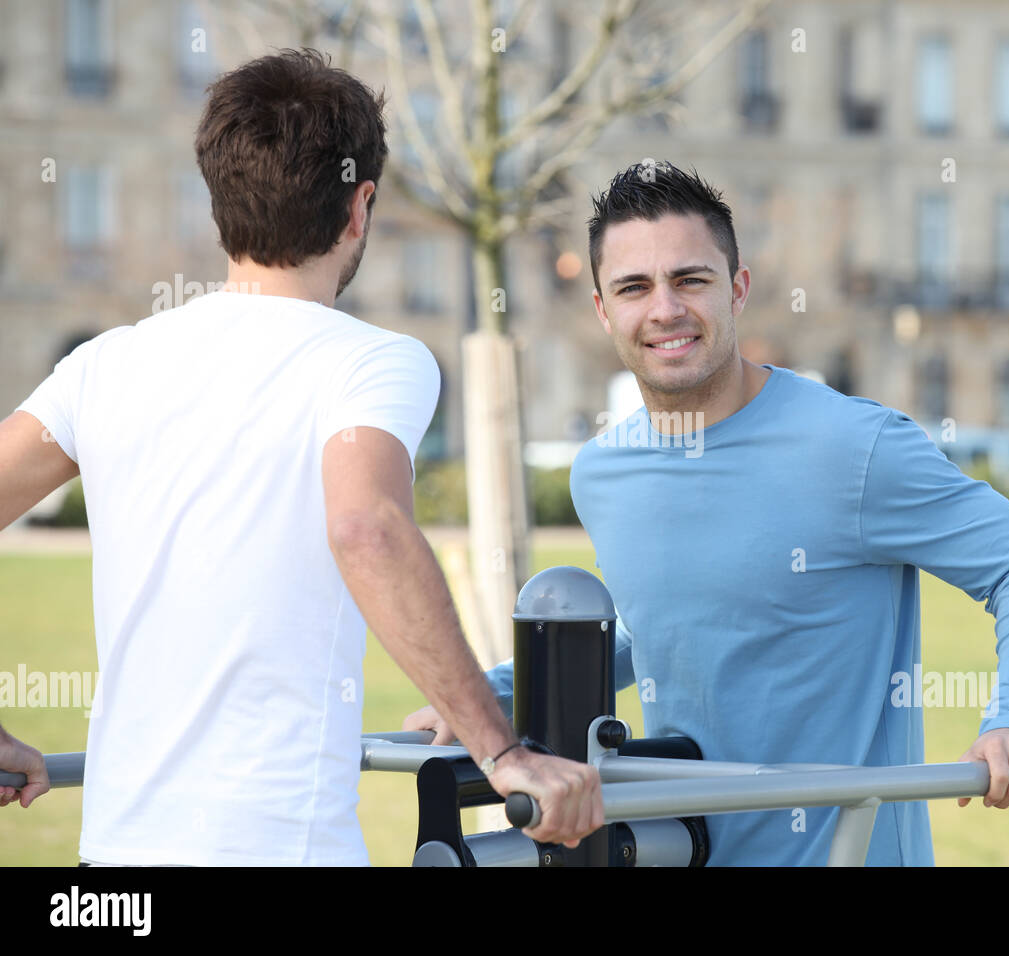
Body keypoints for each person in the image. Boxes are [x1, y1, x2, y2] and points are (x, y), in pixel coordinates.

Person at [0, 49, 601, 864]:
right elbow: (366, 528)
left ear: (220, 202)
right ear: (361, 206)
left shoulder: (105, 362)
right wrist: (503, 753)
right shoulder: (372, 360)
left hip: (113, 867)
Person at [406, 160, 1009, 866]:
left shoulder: (854, 447)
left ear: (738, 289)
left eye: (690, 280)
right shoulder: (602, 472)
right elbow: (657, 627)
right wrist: (485, 698)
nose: (664, 309)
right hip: (677, 851)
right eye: (634, 288)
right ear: (604, 311)